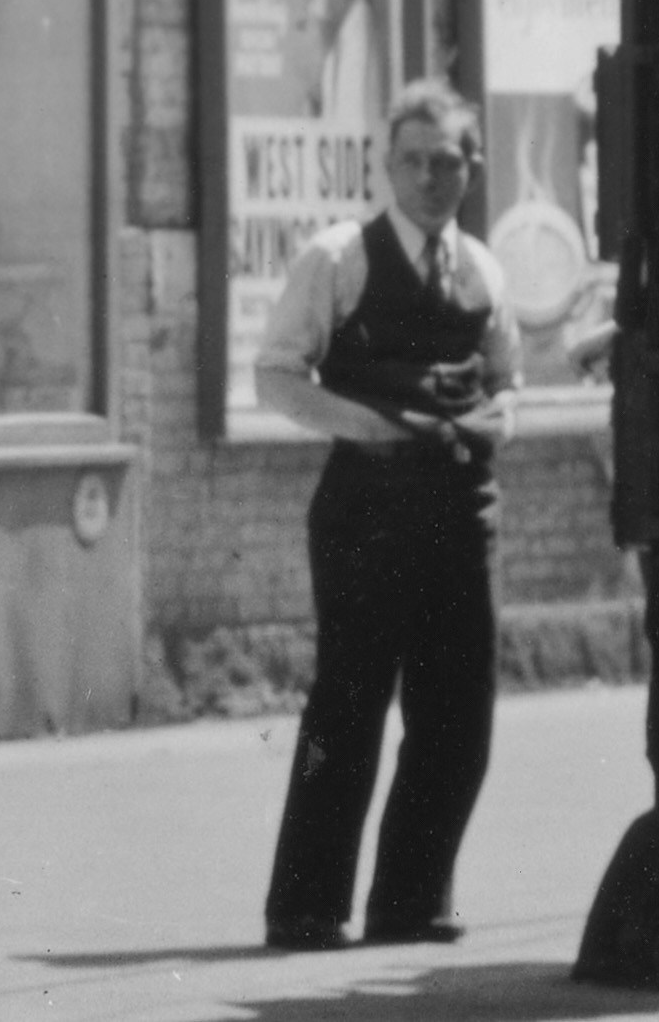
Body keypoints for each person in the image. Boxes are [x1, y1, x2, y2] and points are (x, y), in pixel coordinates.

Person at [251, 78, 509, 953]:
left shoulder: (484, 269)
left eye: (448, 162)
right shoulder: (338, 259)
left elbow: (505, 380)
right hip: (366, 510)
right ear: (384, 165)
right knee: (349, 706)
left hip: (461, 512)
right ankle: (307, 906)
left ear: (471, 168)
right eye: (414, 161)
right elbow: (278, 374)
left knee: (459, 712)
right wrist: (368, 428)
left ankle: (412, 898)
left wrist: (490, 422)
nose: (431, 178)